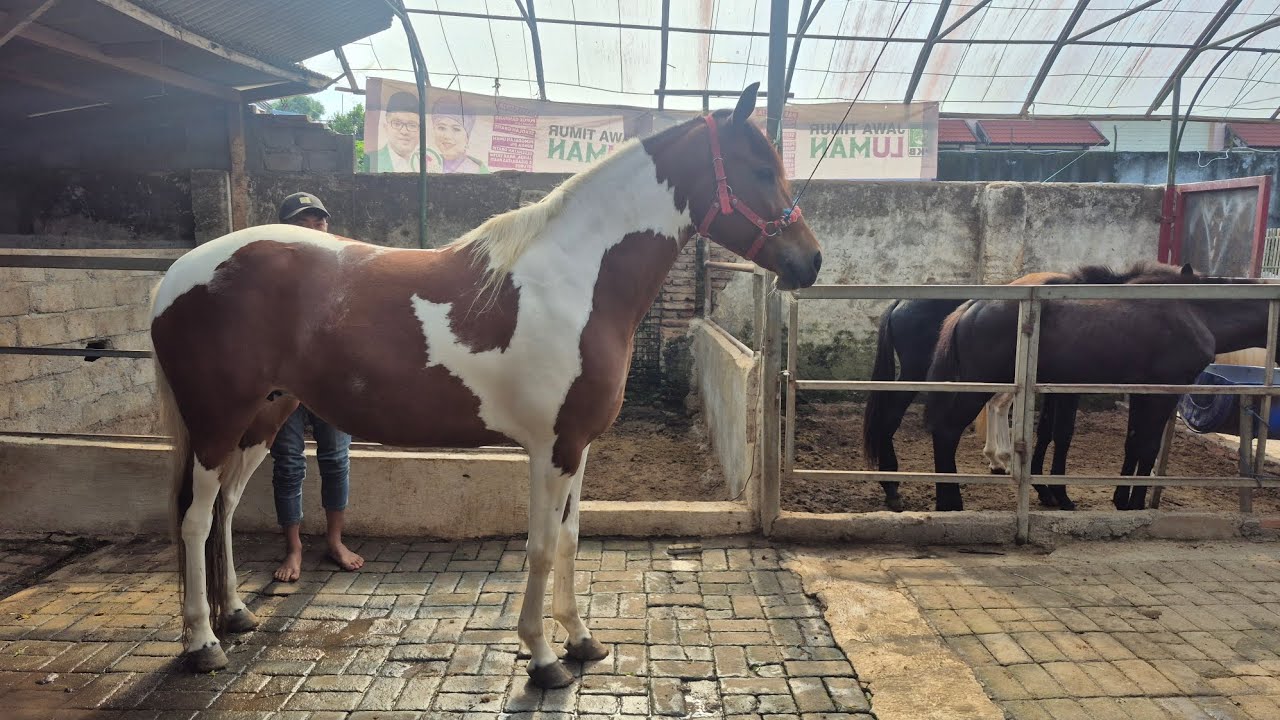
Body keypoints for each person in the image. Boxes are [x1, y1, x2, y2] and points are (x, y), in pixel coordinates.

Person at [269, 192, 364, 582]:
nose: (313, 229)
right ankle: (294, 548)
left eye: (318, 222)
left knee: (336, 459)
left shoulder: (346, 268)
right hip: (286, 383)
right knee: (288, 463)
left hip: (330, 382)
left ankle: (334, 541)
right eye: (302, 223)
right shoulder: (269, 272)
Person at [429, 96, 489, 174]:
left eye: (456, 129)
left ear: (467, 137)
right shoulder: (426, 164)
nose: (447, 136)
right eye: (441, 128)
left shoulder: (477, 170)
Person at [372, 92, 424, 173]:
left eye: (412, 125)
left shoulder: (428, 162)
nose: (404, 131)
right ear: (386, 127)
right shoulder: (372, 160)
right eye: (397, 124)